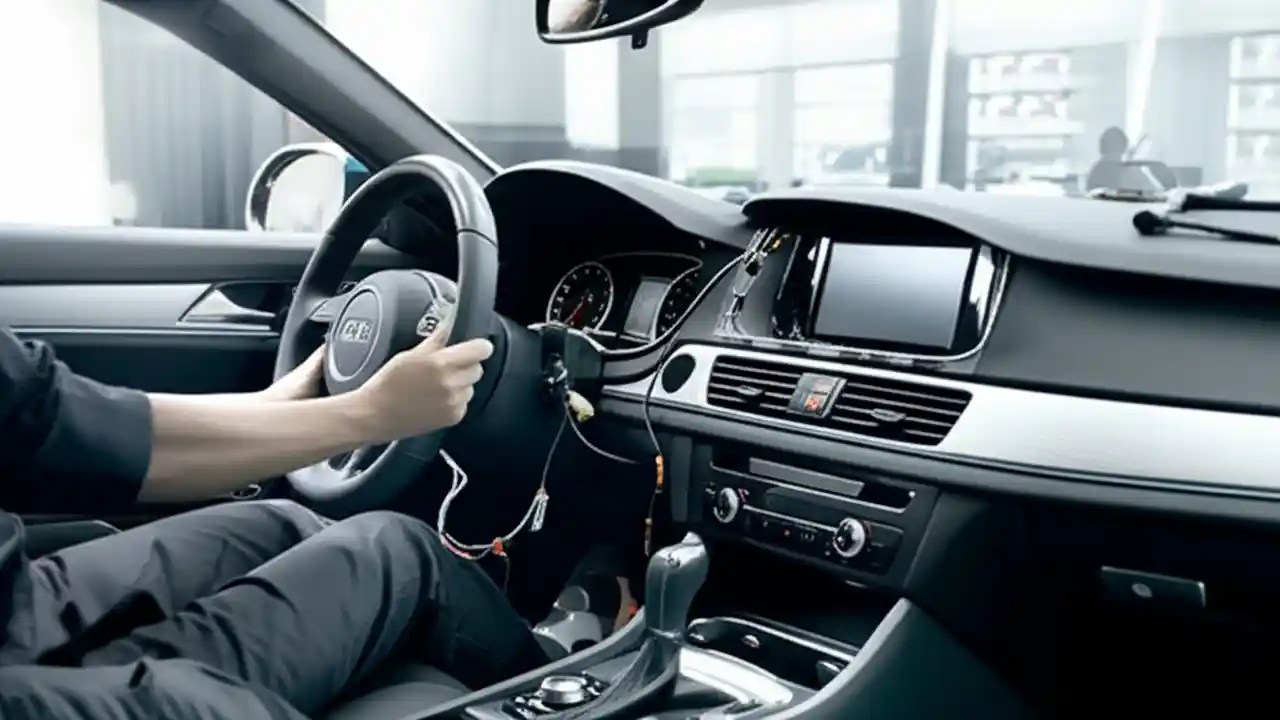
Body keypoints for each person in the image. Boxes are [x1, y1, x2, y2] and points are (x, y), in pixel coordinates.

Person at [0, 327, 552, 718]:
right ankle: (568, 682)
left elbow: (45, 417)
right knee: (399, 555)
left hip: (15, 599)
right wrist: (372, 415)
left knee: (285, 526)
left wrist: (278, 403)